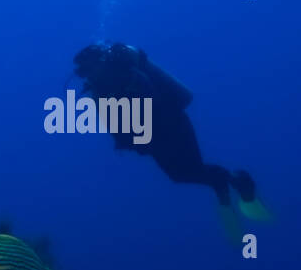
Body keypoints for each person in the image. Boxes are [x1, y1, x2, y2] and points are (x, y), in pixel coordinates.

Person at [73, 43, 268, 234]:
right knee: (179, 175)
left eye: (88, 68)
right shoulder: (98, 91)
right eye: (83, 71)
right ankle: (220, 182)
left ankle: (237, 180)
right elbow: (111, 123)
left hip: (173, 123)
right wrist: (127, 141)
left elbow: (152, 97)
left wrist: (137, 132)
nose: (86, 74)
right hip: (152, 138)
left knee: (192, 167)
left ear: (99, 61)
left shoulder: (127, 73)